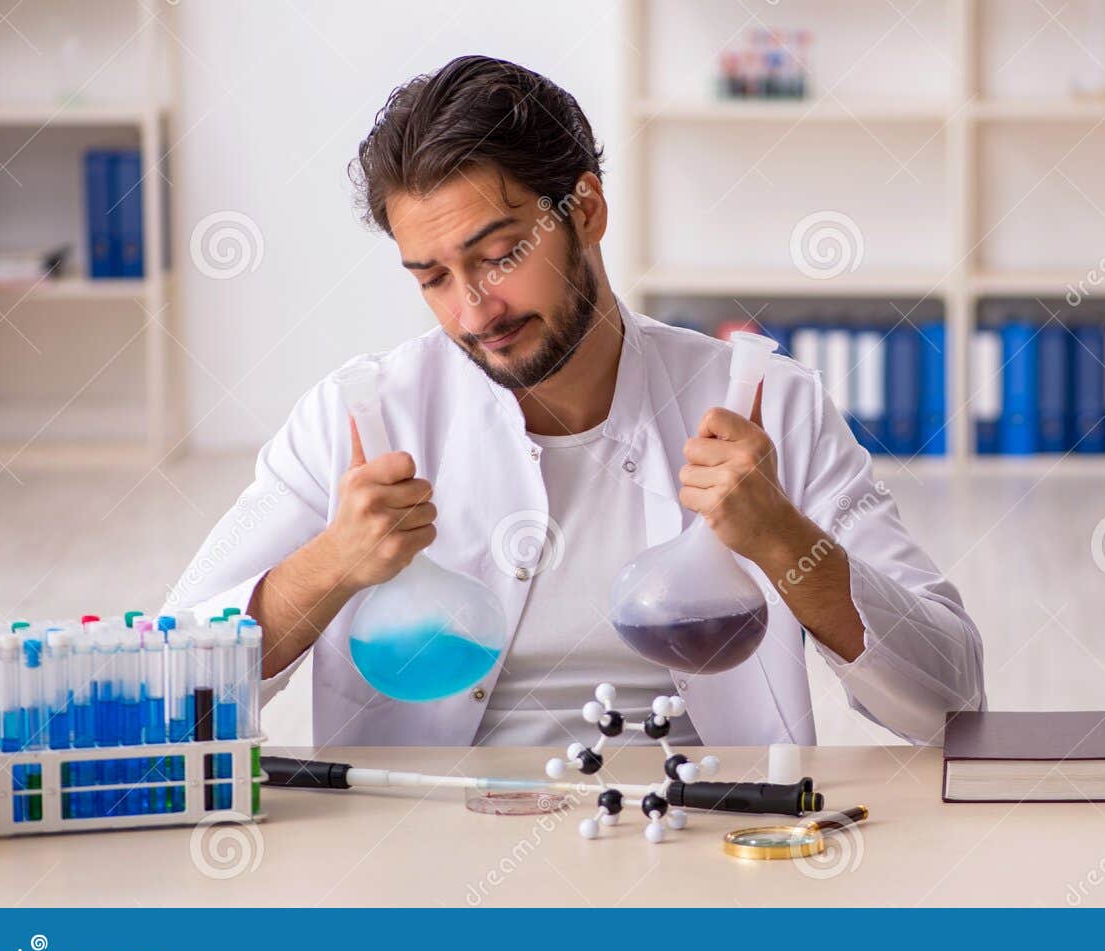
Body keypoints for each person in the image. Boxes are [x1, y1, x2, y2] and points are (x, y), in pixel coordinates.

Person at [167, 55, 983, 748]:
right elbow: (173, 691)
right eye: (433, 278)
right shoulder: (351, 422)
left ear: (584, 209)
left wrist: (784, 542)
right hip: (427, 871)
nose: (473, 309)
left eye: (499, 255)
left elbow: (949, 698)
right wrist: (328, 567)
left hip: (703, 852)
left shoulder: (770, 410)